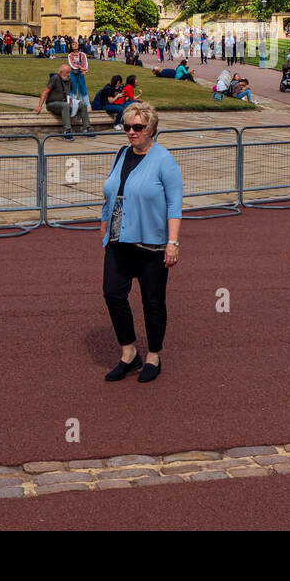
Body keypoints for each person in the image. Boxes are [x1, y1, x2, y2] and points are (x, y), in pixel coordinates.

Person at [99, 102, 182, 384]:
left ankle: (153, 356)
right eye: (127, 127)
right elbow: (111, 193)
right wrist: (103, 227)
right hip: (119, 240)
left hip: (152, 244)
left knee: (152, 302)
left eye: (137, 127)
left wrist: (173, 242)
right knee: (112, 294)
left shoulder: (164, 160)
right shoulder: (121, 154)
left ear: (151, 128)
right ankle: (129, 352)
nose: (131, 132)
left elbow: (174, 205)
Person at [35, 65, 92, 140]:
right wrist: (39, 107)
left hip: (65, 102)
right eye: (67, 72)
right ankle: (67, 131)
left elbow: (69, 91)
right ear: (61, 72)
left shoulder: (68, 79)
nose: (69, 74)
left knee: (82, 104)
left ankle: (87, 129)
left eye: (69, 72)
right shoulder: (55, 78)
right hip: (52, 103)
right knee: (65, 105)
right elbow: (45, 92)